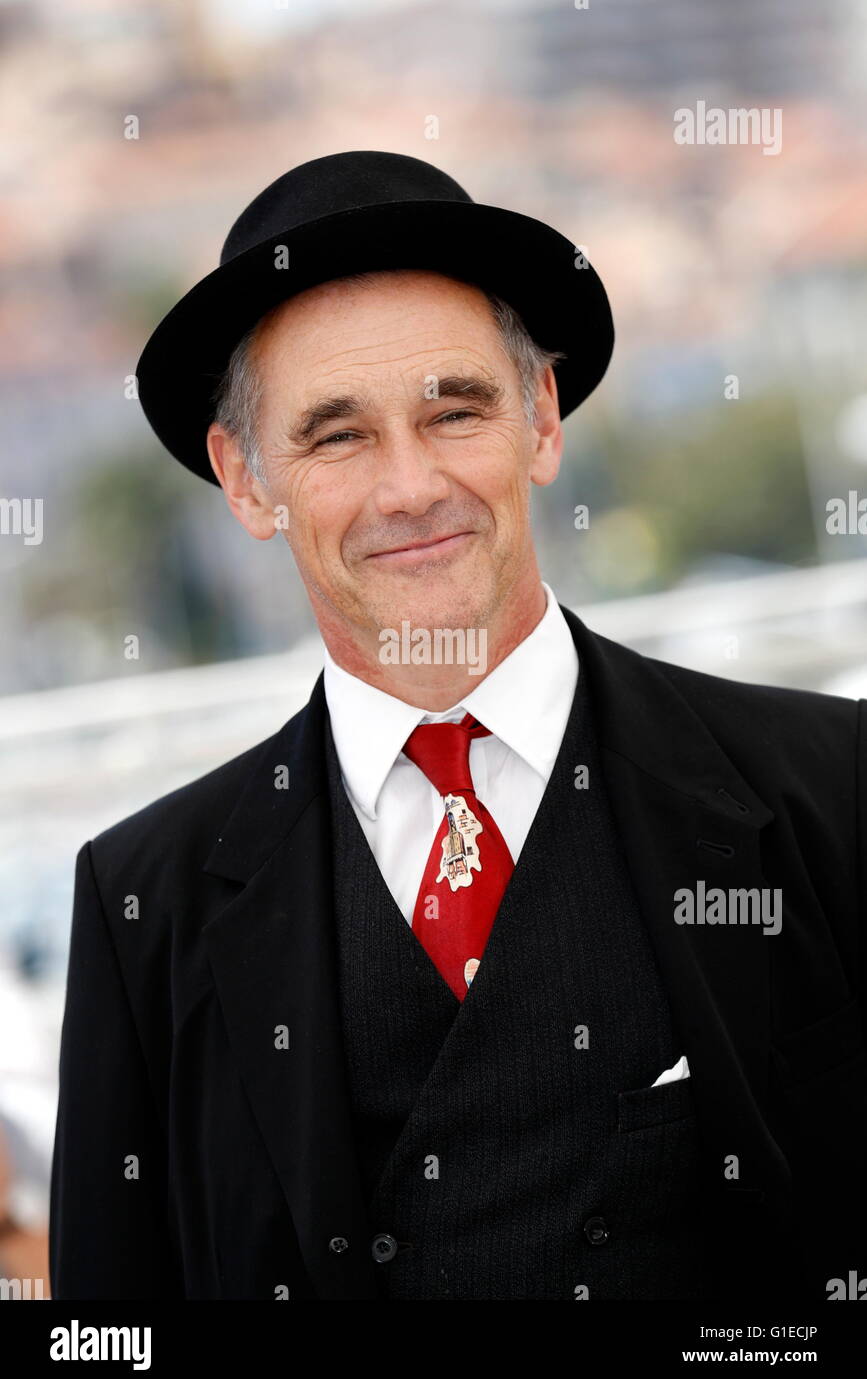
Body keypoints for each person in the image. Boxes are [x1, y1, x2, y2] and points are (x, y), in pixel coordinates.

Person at [49, 151, 866, 1301]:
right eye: (336, 437)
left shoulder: (836, 789)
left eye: (456, 409)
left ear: (540, 417)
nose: (410, 486)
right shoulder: (145, 905)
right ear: (244, 480)